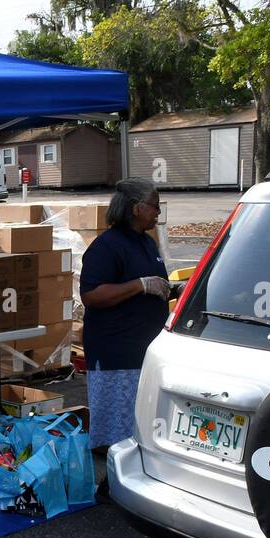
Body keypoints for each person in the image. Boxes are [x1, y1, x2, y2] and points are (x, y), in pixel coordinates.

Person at [78, 178, 178, 452]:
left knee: (138, 427)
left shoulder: (146, 242)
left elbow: (155, 282)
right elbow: (91, 295)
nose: (158, 213)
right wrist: (139, 285)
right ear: (136, 208)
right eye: (154, 206)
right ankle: (110, 483)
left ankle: (132, 469)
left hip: (144, 348)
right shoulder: (107, 246)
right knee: (115, 432)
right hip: (116, 351)